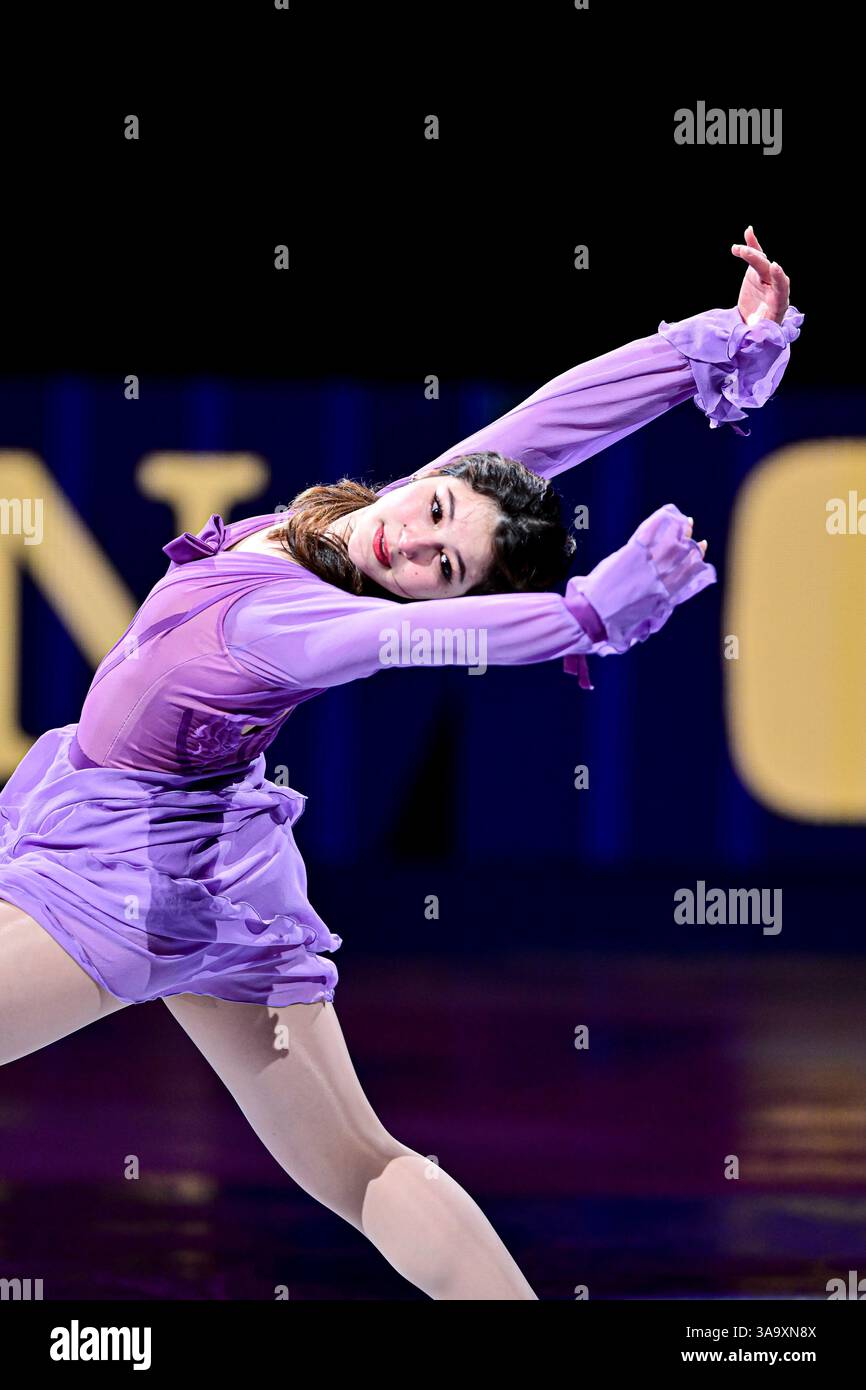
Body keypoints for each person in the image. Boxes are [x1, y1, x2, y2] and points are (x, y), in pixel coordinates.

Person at [0, 228, 802, 1299]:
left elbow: (403, 642)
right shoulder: (364, 526)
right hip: (192, 854)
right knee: (357, 1166)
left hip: (130, 883)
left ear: (445, 593)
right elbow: (540, 431)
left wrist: (581, 621)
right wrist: (716, 343)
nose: (413, 541)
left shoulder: (321, 616)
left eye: (443, 566)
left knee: (356, 1162)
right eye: (431, 513)